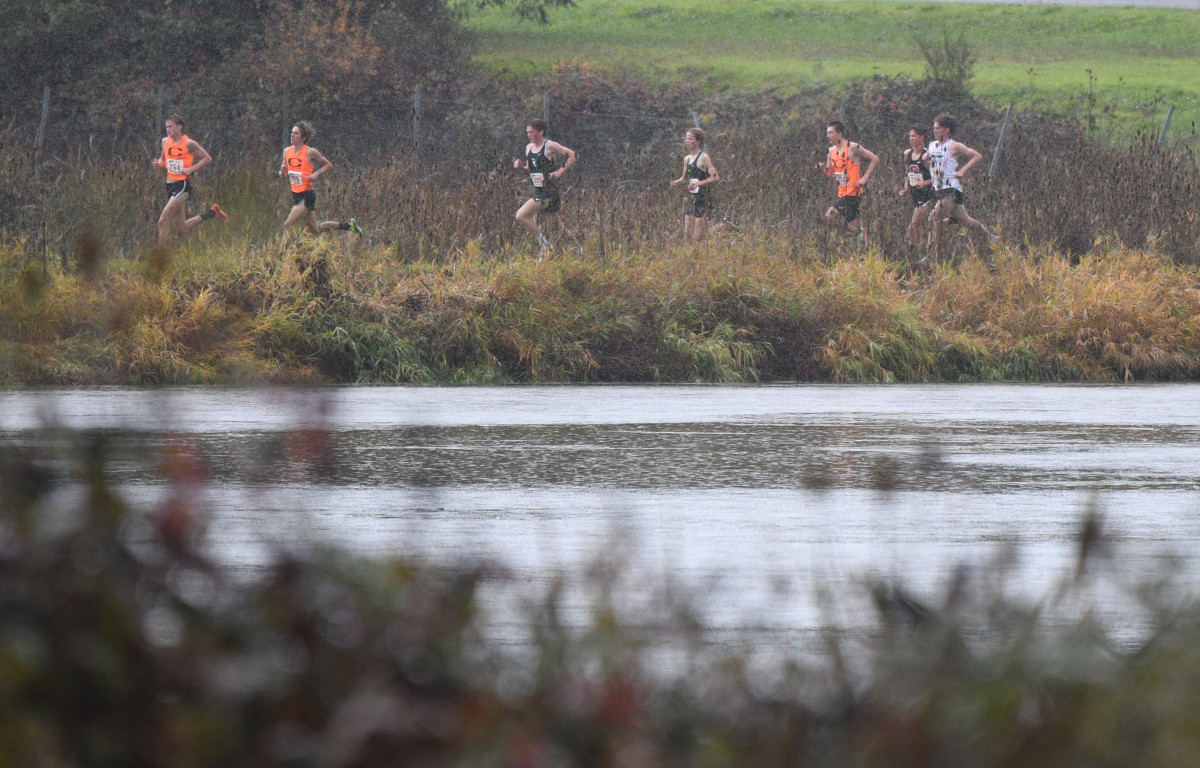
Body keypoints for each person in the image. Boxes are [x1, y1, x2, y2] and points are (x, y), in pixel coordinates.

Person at [927, 113, 999, 253]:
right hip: (940, 189)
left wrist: (963, 171)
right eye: (934, 128)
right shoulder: (932, 145)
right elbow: (933, 164)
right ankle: (991, 237)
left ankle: (931, 253)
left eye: (938, 128)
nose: (934, 130)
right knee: (966, 221)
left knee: (933, 218)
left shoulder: (955, 146)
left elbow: (976, 156)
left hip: (951, 189)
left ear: (947, 130)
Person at [153, 113, 227, 247]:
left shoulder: (189, 144)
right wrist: (159, 164)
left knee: (163, 220)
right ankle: (212, 213)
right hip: (170, 185)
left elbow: (207, 158)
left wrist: (190, 169)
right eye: (166, 127)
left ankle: (160, 258)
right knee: (181, 228)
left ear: (180, 127)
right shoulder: (165, 141)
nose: (168, 129)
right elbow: (163, 160)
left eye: (171, 127)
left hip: (183, 186)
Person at [280, 121, 362, 238]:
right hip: (295, 194)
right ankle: (349, 226)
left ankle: (281, 255)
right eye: (292, 133)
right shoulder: (286, 152)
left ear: (304, 137)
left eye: (296, 133)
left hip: (306, 195)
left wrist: (316, 174)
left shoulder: (310, 152)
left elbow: (328, 165)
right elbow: (283, 175)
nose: (292, 135)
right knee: (316, 230)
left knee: (287, 225)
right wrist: (282, 172)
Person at [512, 119, 576, 258]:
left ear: (540, 132)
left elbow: (572, 155)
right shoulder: (529, 148)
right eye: (527, 132)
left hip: (549, 191)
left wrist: (560, 171)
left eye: (531, 132)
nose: (529, 134)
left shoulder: (550, 146)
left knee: (521, 215)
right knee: (558, 230)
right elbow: (529, 170)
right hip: (539, 190)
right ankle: (579, 251)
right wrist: (520, 167)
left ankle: (544, 244)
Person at [816, 120, 878, 239]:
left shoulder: (853, 147)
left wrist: (864, 178)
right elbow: (830, 175)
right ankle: (864, 239)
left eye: (831, 133)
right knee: (853, 226)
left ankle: (860, 235)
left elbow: (875, 159)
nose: (828, 136)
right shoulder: (830, 151)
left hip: (854, 193)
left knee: (828, 217)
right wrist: (823, 169)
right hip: (842, 193)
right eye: (827, 133)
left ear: (840, 134)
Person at [670, 127, 722, 242]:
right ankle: (687, 257)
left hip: (703, 198)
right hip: (692, 197)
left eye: (690, 139)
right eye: (686, 138)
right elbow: (685, 178)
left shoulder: (704, 158)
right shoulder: (687, 159)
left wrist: (699, 183)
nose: (687, 141)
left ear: (698, 141)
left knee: (698, 236)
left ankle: (724, 225)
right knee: (686, 234)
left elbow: (715, 177)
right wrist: (677, 182)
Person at [897, 125, 934, 250]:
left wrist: (924, 183)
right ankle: (922, 250)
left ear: (922, 137)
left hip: (927, 196)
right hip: (914, 195)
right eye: (910, 136)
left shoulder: (927, 156)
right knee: (920, 227)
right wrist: (905, 188)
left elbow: (937, 177)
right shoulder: (907, 154)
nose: (911, 139)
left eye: (914, 136)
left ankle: (913, 252)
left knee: (913, 225)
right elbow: (908, 173)